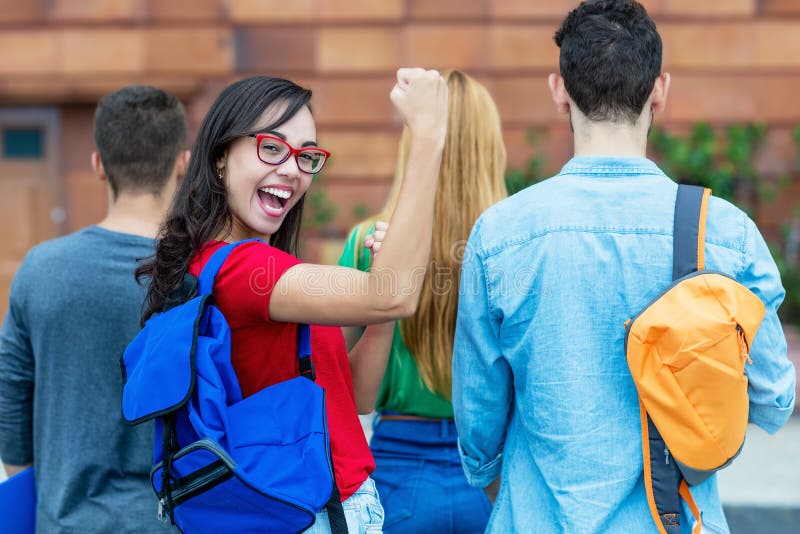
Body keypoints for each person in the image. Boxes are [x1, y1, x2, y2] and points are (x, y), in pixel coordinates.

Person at [451, 1, 797, 533]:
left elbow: (479, 423)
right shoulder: (725, 233)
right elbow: (775, 401)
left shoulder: (500, 234)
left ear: (559, 91)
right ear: (659, 90)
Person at [136, 70, 448, 533]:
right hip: (314, 513)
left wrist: (379, 317)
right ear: (220, 157)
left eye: (306, 156)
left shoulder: (255, 269)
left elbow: (354, 397)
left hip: (314, 509)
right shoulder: (246, 270)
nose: (291, 169)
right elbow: (391, 296)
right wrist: (428, 137)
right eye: (272, 148)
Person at [0, 85, 190, 532]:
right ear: (182, 163)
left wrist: (45, 492)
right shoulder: (196, 275)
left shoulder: (40, 269)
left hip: (64, 521)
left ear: (98, 165)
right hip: (173, 522)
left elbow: (10, 398)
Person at [338, 69, 507, 533]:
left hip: (399, 479)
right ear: (489, 149)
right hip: (494, 479)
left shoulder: (368, 241)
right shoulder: (514, 250)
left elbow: (353, 395)